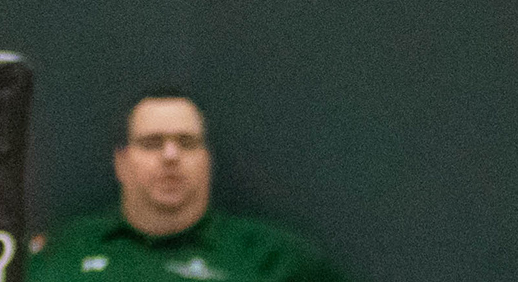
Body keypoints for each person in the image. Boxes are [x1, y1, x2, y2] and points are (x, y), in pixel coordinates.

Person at [29, 88, 349, 282]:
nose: (171, 156)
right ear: (122, 162)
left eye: (187, 142)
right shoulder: (64, 251)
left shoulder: (272, 258)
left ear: (207, 159)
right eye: (152, 143)